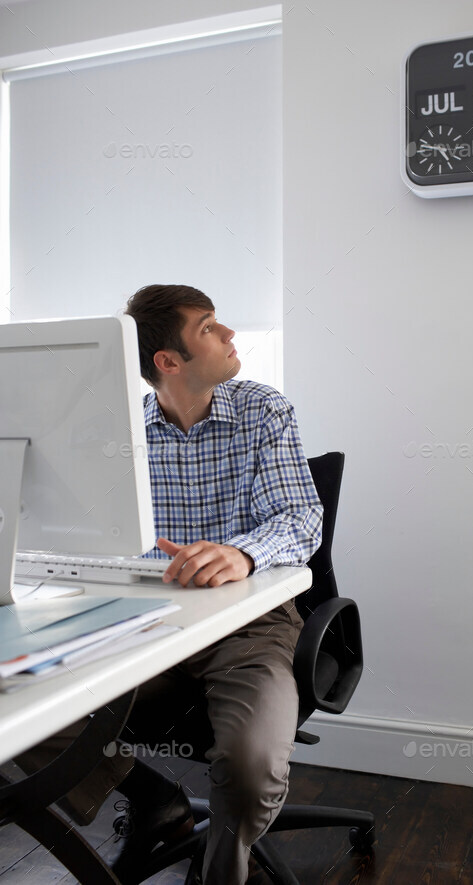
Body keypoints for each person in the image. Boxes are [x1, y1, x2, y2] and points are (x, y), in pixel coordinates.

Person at [17, 283, 322, 885]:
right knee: (22, 706)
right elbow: (80, 530)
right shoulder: (115, 433)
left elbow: (300, 518)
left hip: (248, 622)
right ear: (167, 360)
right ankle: (152, 796)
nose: (231, 334)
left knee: (252, 764)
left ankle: (221, 873)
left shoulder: (264, 411)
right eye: (210, 326)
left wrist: (241, 552)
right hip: (144, 619)